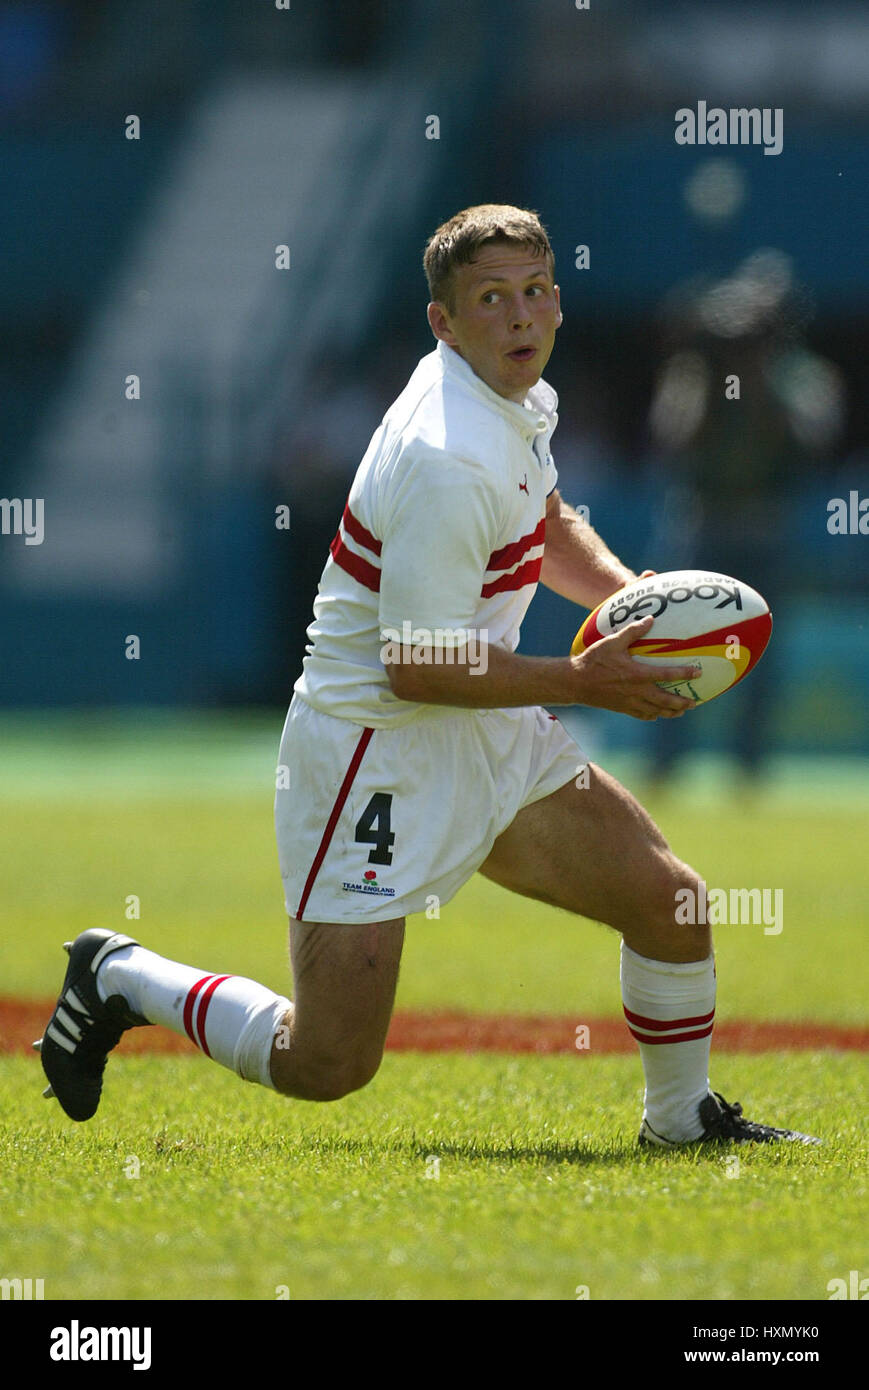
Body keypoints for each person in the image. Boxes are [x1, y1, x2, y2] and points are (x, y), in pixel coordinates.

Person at [36, 205, 817, 1147]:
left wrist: (624, 597)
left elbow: (545, 512)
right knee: (326, 1062)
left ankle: (681, 1122)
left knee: (671, 904)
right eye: (491, 299)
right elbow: (415, 667)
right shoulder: (445, 453)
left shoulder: (507, 395)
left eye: (534, 292)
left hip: (486, 714)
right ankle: (118, 975)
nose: (520, 316)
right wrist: (583, 680)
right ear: (444, 323)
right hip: (376, 749)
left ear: (559, 303)